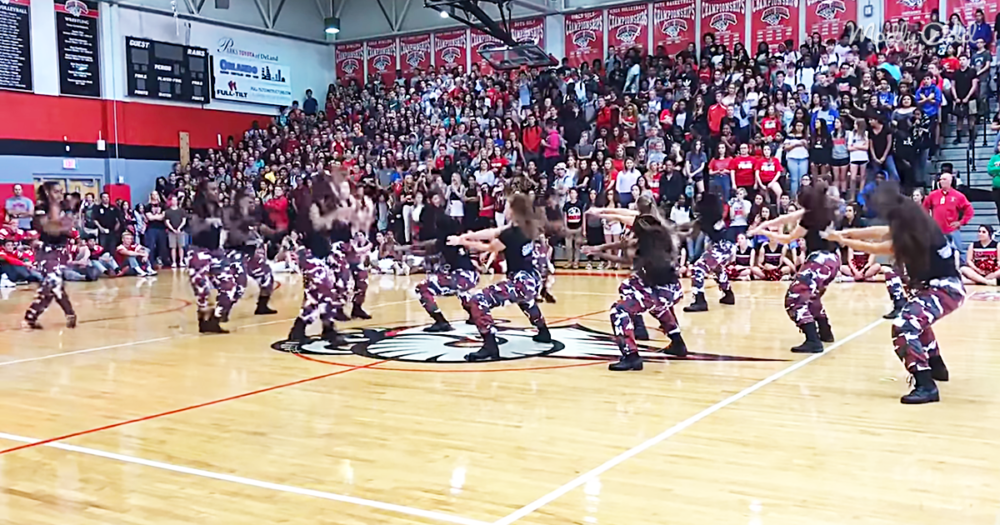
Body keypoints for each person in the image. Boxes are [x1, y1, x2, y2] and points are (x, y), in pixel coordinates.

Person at [826, 184, 965, 404]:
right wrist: (845, 232)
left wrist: (842, 240)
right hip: (944, 287)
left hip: (944, 289)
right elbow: (879, 232)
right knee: (919, 321)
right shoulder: (920, 226)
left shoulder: (914, 237)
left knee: (905, 324)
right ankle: (937, 366)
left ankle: (925, 383)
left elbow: (876, 247)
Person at [583, 197, 688, 371]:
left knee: (618, 310)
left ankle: (631, 355)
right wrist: (599, 248)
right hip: (669, 287)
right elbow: (627, 217)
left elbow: (623, 217)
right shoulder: (658, 231)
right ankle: (677, 342)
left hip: (661, 290)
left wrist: (600, 212)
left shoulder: (648, 229)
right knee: (629, 286)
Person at [447, 193, 552, 362]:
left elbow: (488, 246)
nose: (505, 209)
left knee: (478, 300)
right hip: (533, 279)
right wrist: (466, 236)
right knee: (526, 301)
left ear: (514, 210)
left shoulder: (512, 233)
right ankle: (543, 332)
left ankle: (489, 346)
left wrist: (461, 242)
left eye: (508, 207)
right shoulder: (528, 226)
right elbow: (493, 232)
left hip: (521, 282)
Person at [748, 181, 838, 353]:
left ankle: (813, 340)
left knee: (794, 298)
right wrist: (764, 224)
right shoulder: (823, 210)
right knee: (812, 296)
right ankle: (825, 332)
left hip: (819, 261)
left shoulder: (810, 217)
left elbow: (788, 239)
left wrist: (764, 233)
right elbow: (786, 218)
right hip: (833, 260)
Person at [187, 180, 240, 334]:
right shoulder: (196, 209)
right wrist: (208, 222)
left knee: (230, 285)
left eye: (217, 189)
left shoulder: (219, 209)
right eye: (213, 189)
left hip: (216, 251)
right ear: (204, 192)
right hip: (199, 251)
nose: (217, 191)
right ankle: (203, 321)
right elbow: (194, 229)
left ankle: (214, 319)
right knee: (202, 290)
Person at [413, 210, 480, 332]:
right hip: (472, 275)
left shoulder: (444, 240)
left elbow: (427, 247)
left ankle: (441, 322)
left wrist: (402, 248)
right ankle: (474, 315)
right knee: (460, 290)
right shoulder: (454, 237)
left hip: (461, 276)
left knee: (422, 288)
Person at [22, 182, 76, 330]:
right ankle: (70, 313)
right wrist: (58, 220)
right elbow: (50, 229)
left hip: (62, 251)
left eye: (61, 191)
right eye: (56, 192)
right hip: (46, 252)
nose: (59, 195)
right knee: (54, 283)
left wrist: (62, 225)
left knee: (50, 287)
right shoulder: (40, 209)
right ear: (47, 192)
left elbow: (70, 228)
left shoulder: (65, 207)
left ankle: (31, 316)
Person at [684, 192, 737, 312]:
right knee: (717, 268)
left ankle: (700, 300)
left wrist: (671, 229)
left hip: (724, 245)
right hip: (726, 245)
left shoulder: (708, 219)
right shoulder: (712, 218)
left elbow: (690, 229)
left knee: (698, 268)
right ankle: (728, 294)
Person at [922, 172, 973, 264]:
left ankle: (963, 271)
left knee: (959, 251)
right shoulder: (933, 195)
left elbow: (969, 210)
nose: (941, 181)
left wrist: (961, 222)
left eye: (944, 179)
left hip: (952, 229)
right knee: (935, 252)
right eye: (940, 179)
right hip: (937, 230)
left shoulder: (958, 196)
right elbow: (924, 208)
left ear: (950, 181)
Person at [563, 188, 586, 269]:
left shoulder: (580, 204)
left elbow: (583, 216)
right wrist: (565, 227)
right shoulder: (567, 205)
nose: (572, 195)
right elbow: (565, 216)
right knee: (568, 246)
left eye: (574, 193)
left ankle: (576, 262)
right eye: (571, 193)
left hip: (578, 227)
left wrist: (584, 228)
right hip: (569, 228)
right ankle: (569, 261)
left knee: (577, 246)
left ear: (577, 194)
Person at [165, 196, 187, 269]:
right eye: (173, 200)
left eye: (175, 200)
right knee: (173, 247)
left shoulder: (181, 211)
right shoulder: (168, 212)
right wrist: (173, 229)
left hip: (180, 231)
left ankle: (181, 261)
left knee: (181, 247)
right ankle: (174, 262)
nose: (174, 202)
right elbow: (167, 222)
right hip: (171, 232)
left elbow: (184, 220)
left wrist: (179, 228)